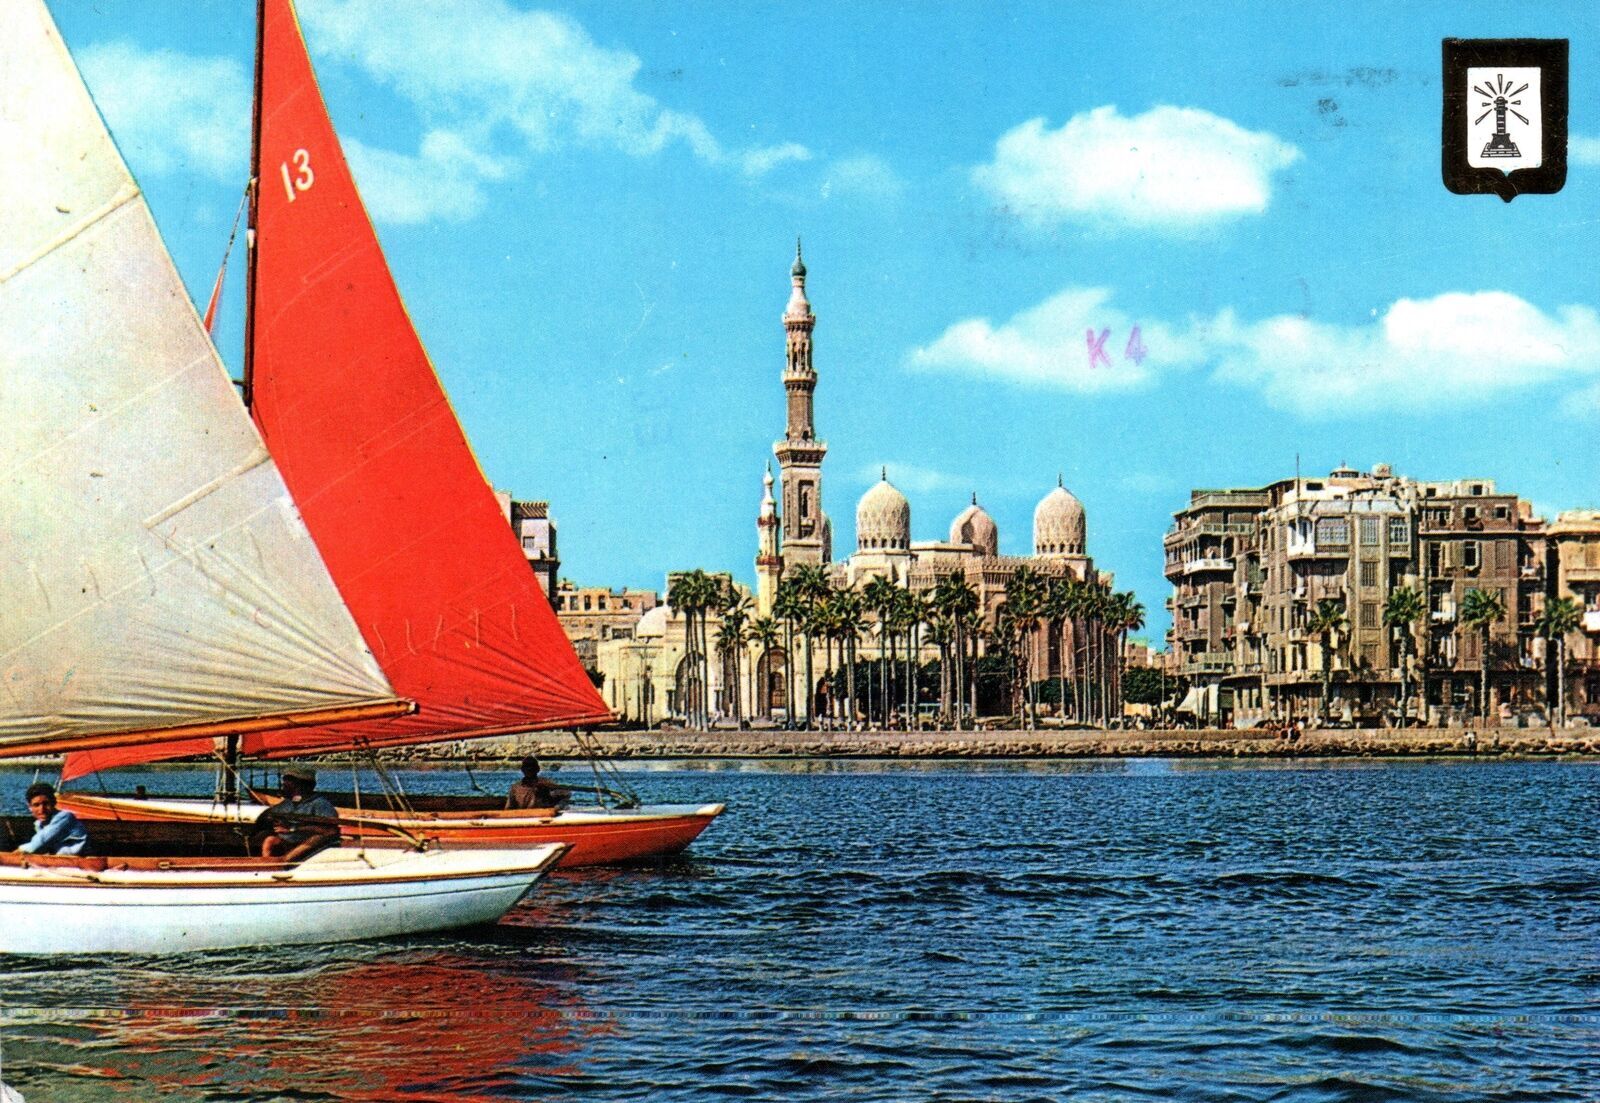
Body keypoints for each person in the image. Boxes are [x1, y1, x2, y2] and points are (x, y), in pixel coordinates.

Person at [253, 766, 339, 861]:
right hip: (288, 841)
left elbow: (329, 831)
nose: (283, 786)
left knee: (317, 838)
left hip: (307, 843)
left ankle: (284, 861)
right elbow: (271, 815)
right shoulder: (288, 803)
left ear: (300, 785)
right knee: (268, 839)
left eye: (288, 783)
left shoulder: (321, 804)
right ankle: (266, 863)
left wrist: (292, 829)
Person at [16, 782, 90, 856]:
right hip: (59, 861)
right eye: (36, 805)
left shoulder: (65, 817)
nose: (42, 809)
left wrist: (15, 852)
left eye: (46, 804)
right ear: (30, 807)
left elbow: (35, 846)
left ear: (54, 802)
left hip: (79, 862)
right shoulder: (39, 824)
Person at [505, 757, 571, 812]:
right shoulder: (515, 788)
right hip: (523, 819)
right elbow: (508, 808)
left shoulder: (546, 784)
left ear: (537, 769)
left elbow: (567, 794)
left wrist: (548, 794)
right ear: (522, 770)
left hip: (542, 816)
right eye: (527, 767)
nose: (529, 769)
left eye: (532, 767)